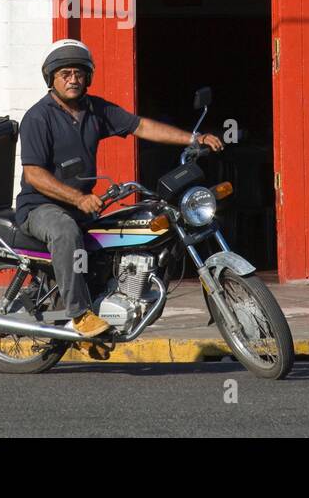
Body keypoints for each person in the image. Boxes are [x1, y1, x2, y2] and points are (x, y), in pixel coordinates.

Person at [15, 38, 224, 339]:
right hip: (40, 207)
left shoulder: (94, 109)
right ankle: (79, 315)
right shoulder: (38, 117)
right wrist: (77, 197)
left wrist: (193, 139)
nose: (73, 79)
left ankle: (113, 301)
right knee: (65, 231)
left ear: (87, 77)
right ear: (52, 78)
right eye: (65, 74)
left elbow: (140, 126)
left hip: (83, 205)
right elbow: (34, 174)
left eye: (78, 73)